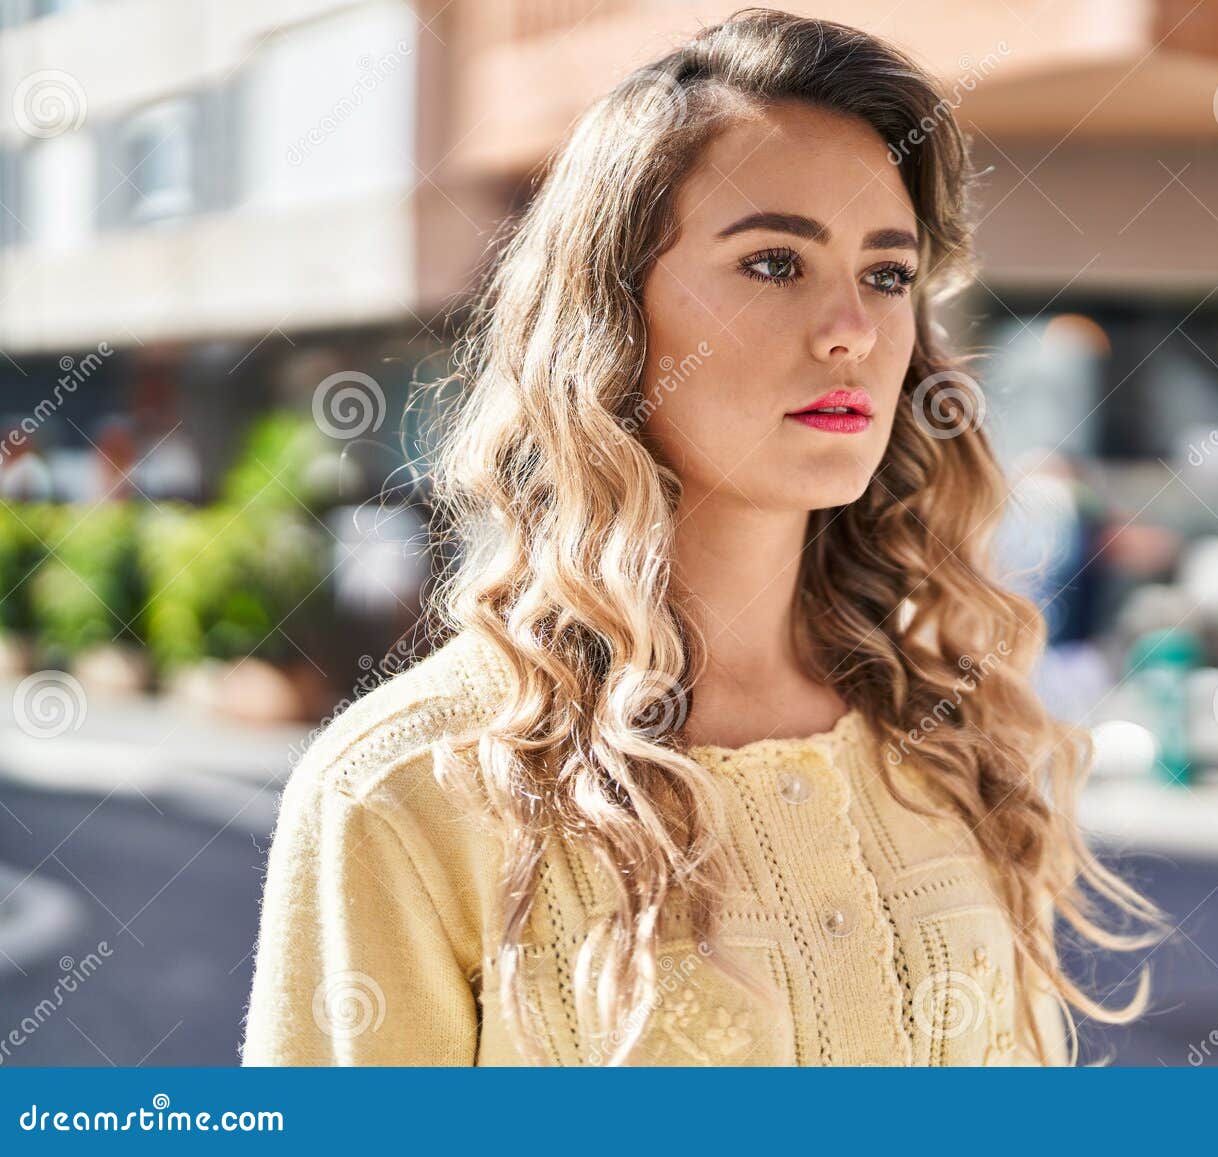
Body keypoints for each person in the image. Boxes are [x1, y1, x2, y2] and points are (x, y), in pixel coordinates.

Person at [240, 7, 1165, 1068]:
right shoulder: (402, 790)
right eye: (775, 262)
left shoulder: (955, 734)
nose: (853, 330)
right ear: (614, 319)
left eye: (888, 273)